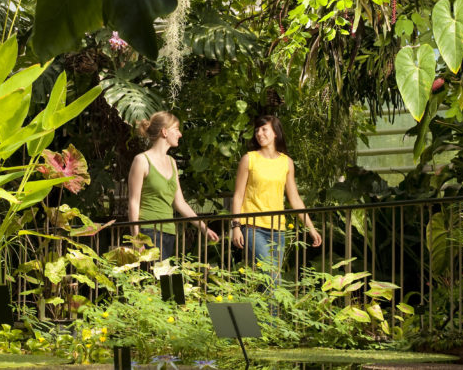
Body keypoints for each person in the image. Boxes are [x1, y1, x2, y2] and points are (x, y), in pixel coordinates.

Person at [230, 115, 322, 284]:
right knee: (272, 278)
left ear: (275, 133)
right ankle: (270, 311)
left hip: (278, 231)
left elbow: (294, 199)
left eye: (264, 129)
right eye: (257, 130)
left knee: (268, 282)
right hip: (253, 227)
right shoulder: (249, 159)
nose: (259, 133)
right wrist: (236, 226)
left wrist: (311, 228)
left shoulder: (286, 162)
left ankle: (262, 311)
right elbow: (238, 196)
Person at [127, 111, 219, 260]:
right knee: (156, 279)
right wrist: (136, 238)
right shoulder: (142, 161)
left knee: (164, 280)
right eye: (176, 129)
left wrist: (204, 228)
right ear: (164, 132)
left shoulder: (172, 162)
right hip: (149, 230)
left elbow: (180, 202)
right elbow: (133, 202)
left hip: (169, 231)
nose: (180, 134)